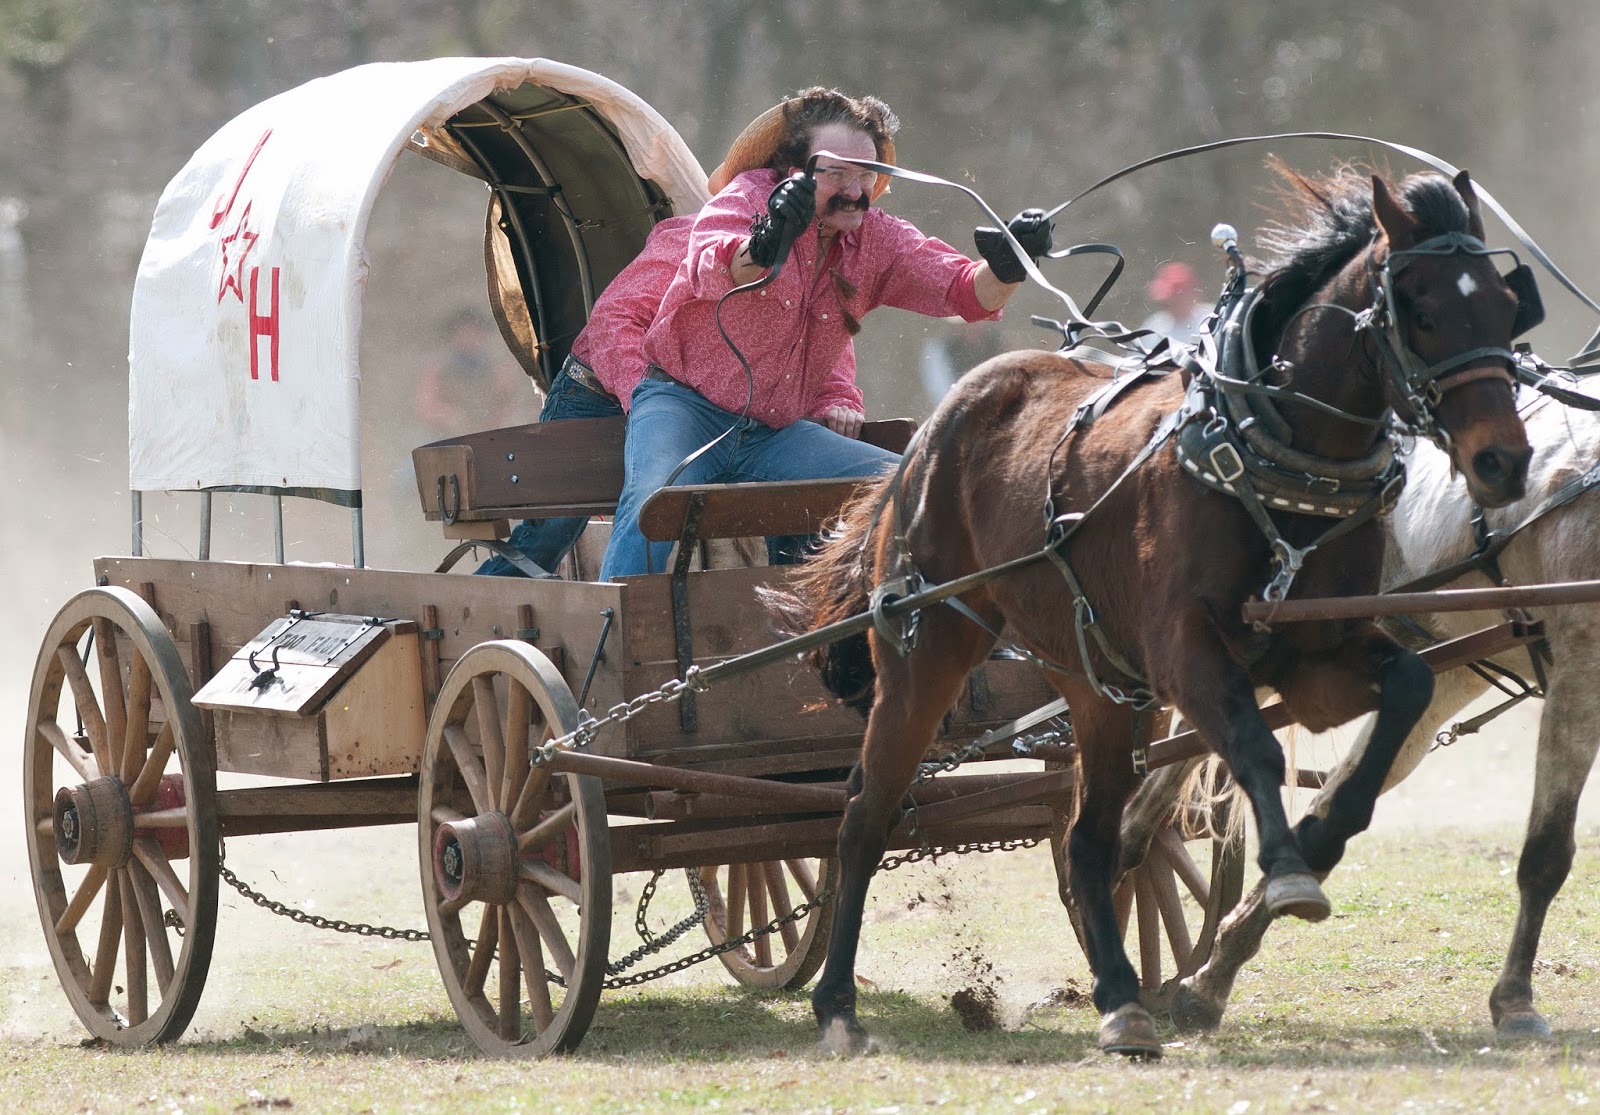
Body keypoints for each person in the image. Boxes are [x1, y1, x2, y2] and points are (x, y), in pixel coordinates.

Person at [598, 87, 1053, 580]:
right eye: (836, 173)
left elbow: (966, 292)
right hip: (682, 406)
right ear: (794, 171)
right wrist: (769, 238)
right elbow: (711, 265)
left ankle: (879, 627)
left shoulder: (877, 238)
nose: (856, 190)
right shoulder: (747, 197)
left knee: (907, 483)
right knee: (653, 500)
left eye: (866, 175)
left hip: (773, 436)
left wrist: (1009, 265)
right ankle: (614, 637)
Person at [474, 212, 866, 577]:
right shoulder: (697, 236)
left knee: (792, 505)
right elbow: (616, 321)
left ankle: (790, 614)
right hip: (598, 394)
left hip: (700, 411)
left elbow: (818, 342)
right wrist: (652, 405)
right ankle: (489, 609)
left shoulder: (816, 265)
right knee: (548, 536)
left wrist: (837, 398)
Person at [415, 307, 527, 439]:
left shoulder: (499, 370)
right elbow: (427, 406)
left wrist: (492, 423)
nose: (469, 337)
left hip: (490, 436)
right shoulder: (436, 370)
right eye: (464, 332)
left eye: (474, 332)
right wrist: (450, 418)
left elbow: (509, 405)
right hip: (446, 437)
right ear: (453, 336)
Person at [1137, 260, 1210, 349]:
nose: (1169, 303)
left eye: (1175, 297)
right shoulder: (1153, 326)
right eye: (1167, 299)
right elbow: (1137, 360)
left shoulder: (1211, 320)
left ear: (1190, 293)